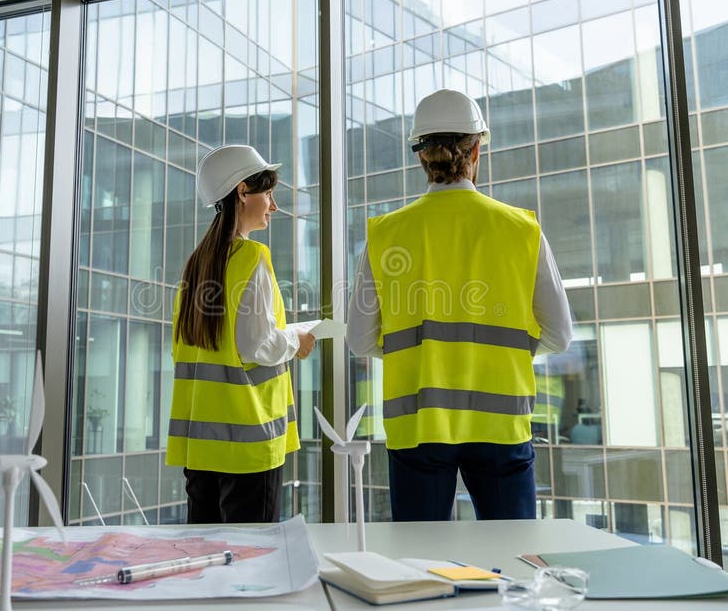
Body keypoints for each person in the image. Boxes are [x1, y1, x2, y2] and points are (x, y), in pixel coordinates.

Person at [346, 89, 572, 522]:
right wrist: (506, 355)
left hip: (418, 424)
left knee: (422, 557)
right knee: (512, 553)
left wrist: (420, 356)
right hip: (501, 426)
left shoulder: (386, 234)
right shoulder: (521, 230)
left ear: (421, 156)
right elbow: (559, 335)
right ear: (476, 150)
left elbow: (359, 340)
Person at [166, 144, 316, 524]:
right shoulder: (252, 257)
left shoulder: (196, 265)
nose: (273, 205)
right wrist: (296, 340)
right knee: (252, 553)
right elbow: (256, 344)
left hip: (201, 447)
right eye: (268, 193)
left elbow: (211, 346)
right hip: (248, 446)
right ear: (242, 191)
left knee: (206, 549)